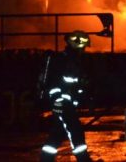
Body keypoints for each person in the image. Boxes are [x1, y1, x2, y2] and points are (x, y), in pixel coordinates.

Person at [38, 30, 93, 162]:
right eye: (83, 47)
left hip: (64, 102)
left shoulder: (71, 60)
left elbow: (72, 83)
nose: (84, 50)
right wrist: (59, 100)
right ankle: (83, 159)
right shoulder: (63, 60)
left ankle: (46, 158)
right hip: (62, 102)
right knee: (75, 130)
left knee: (58, 132)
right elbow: (55, 82)